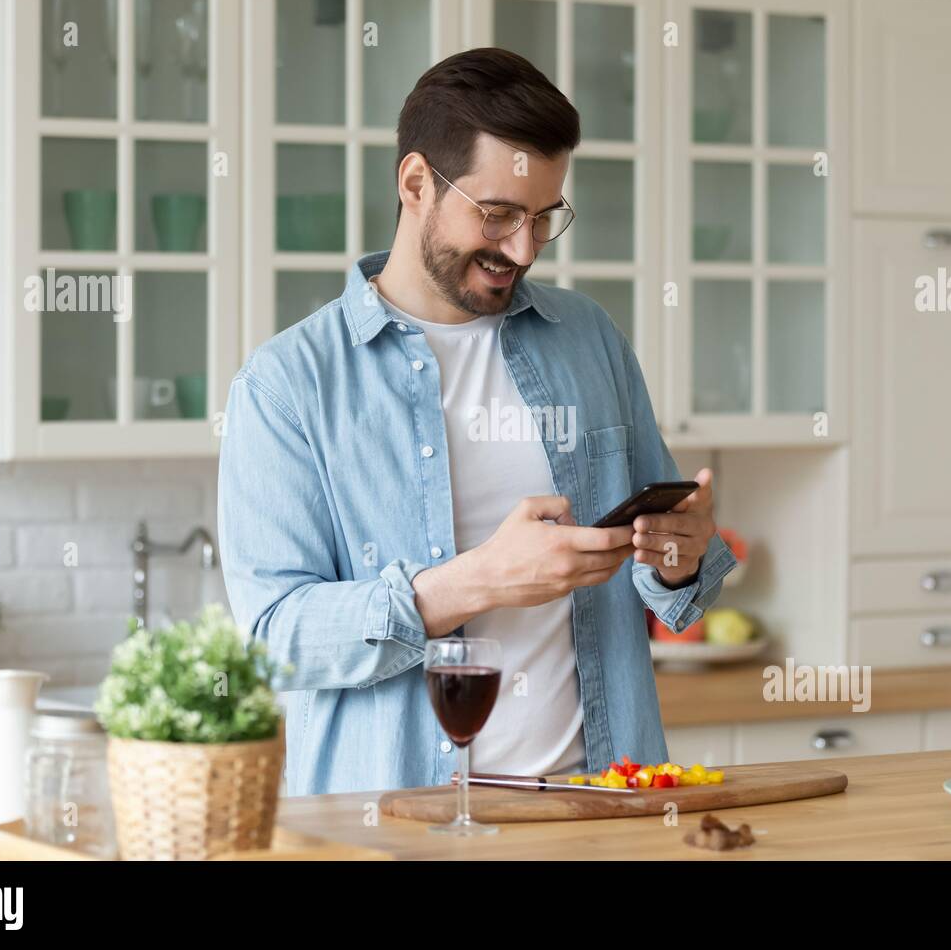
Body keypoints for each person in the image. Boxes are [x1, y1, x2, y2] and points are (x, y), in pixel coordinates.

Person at [218, 47, 738, 795]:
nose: (522, 249)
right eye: (497, 215)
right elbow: (274, 642)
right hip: (400, 828)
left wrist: (681, 555)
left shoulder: (588, 338)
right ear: (416, 183)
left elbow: (672, 593)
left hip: (599, 810)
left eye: (543, 218)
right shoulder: (287, 386)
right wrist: (475, 582)